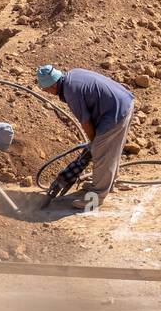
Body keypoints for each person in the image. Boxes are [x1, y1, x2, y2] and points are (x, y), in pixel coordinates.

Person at [37, 64, 134, 209]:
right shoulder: (72, 74)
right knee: (111, 150)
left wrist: (93, 143)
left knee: (100, 153)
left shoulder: (71, 92)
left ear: (52, 86)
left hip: (114, 113)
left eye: (46, 89)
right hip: (124, 102)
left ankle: (96, 197)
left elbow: (86, 122)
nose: (47, 92)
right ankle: (109, 182)